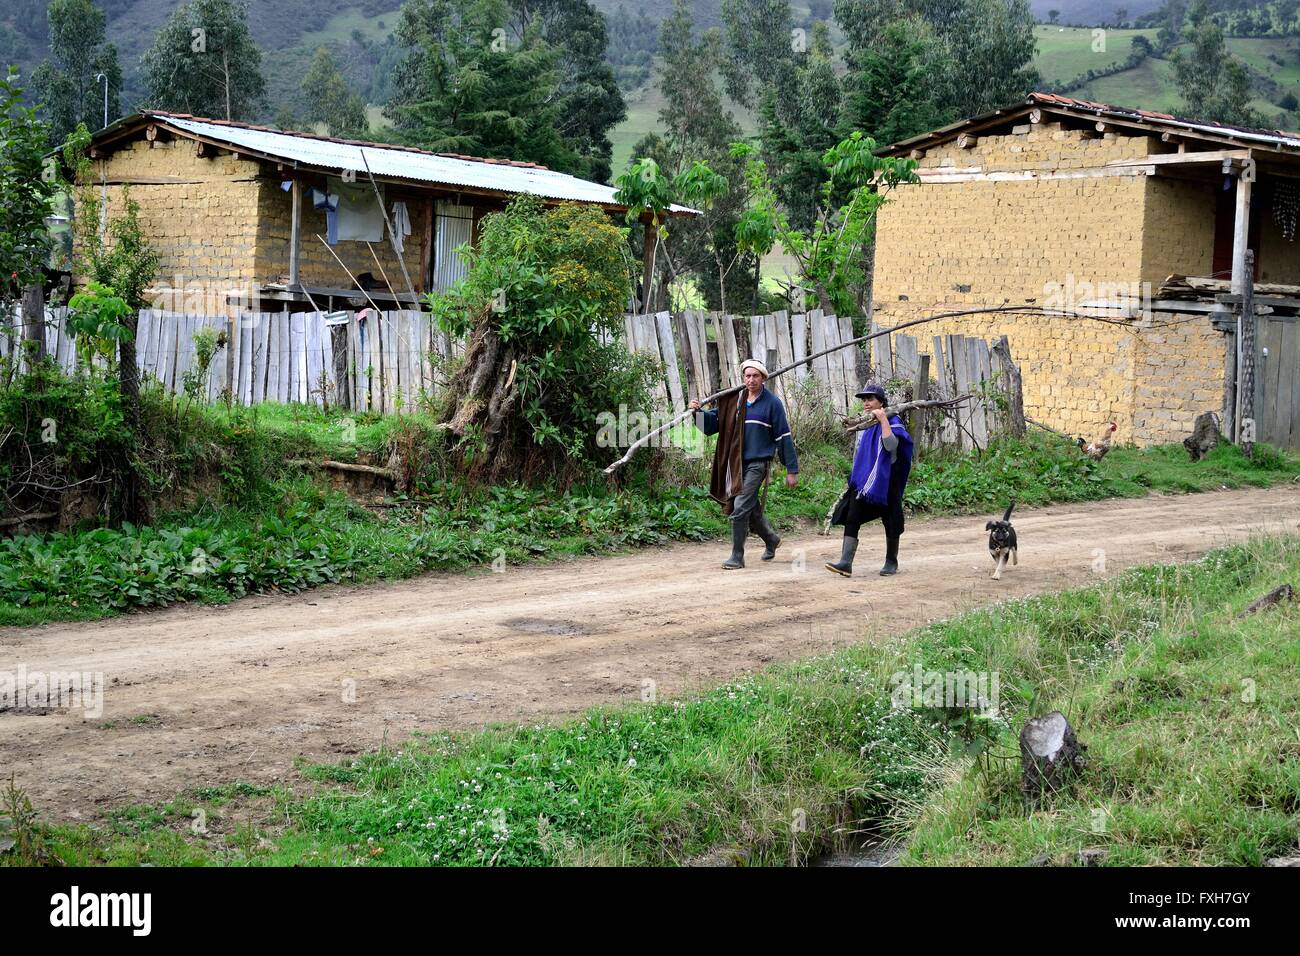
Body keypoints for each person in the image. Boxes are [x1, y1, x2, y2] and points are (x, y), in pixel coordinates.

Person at [689, 358, 799, 569]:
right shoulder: (736, 402)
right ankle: (771, 539)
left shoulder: (772, 404)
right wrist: (697, 413)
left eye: (755, 376)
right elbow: (712, 425)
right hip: (736, 464)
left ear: (763, 378)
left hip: (758, 464)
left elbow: (784, 437)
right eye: (747, 376)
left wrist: (791, 469)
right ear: (743, 378)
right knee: (750, 508)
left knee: (739, 507)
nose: (751, 380)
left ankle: (737, 556)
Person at [826, 382, 913, 577]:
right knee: (852, 516)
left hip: (887, 480)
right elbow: (860, 454)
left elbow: (891, 446)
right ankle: (845, 563)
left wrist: (883, 421)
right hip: (865, 482)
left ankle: (891, 561)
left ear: (881, 402)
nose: (866, 403)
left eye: (870, 399)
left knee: (891, 520)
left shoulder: (893, 420)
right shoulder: (864, 424)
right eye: (864, 399)